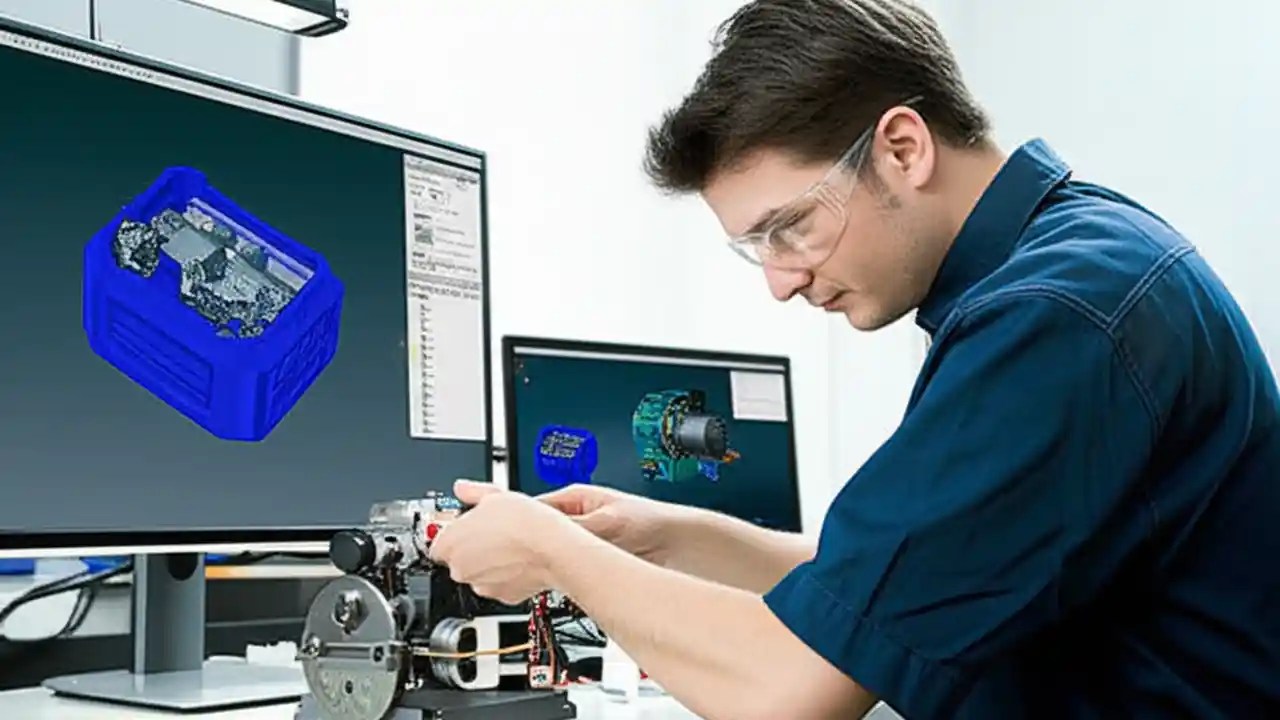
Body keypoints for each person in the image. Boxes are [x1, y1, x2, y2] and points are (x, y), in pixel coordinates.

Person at [428, 0, 1280, 717]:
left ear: (903, 148)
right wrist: (671, 535)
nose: (781, 282)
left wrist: (557, 557)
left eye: (790, 228)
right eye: (756, 248)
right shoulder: (1076, 259)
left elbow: (790, 691)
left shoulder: (1053, 318)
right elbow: (894, 594)